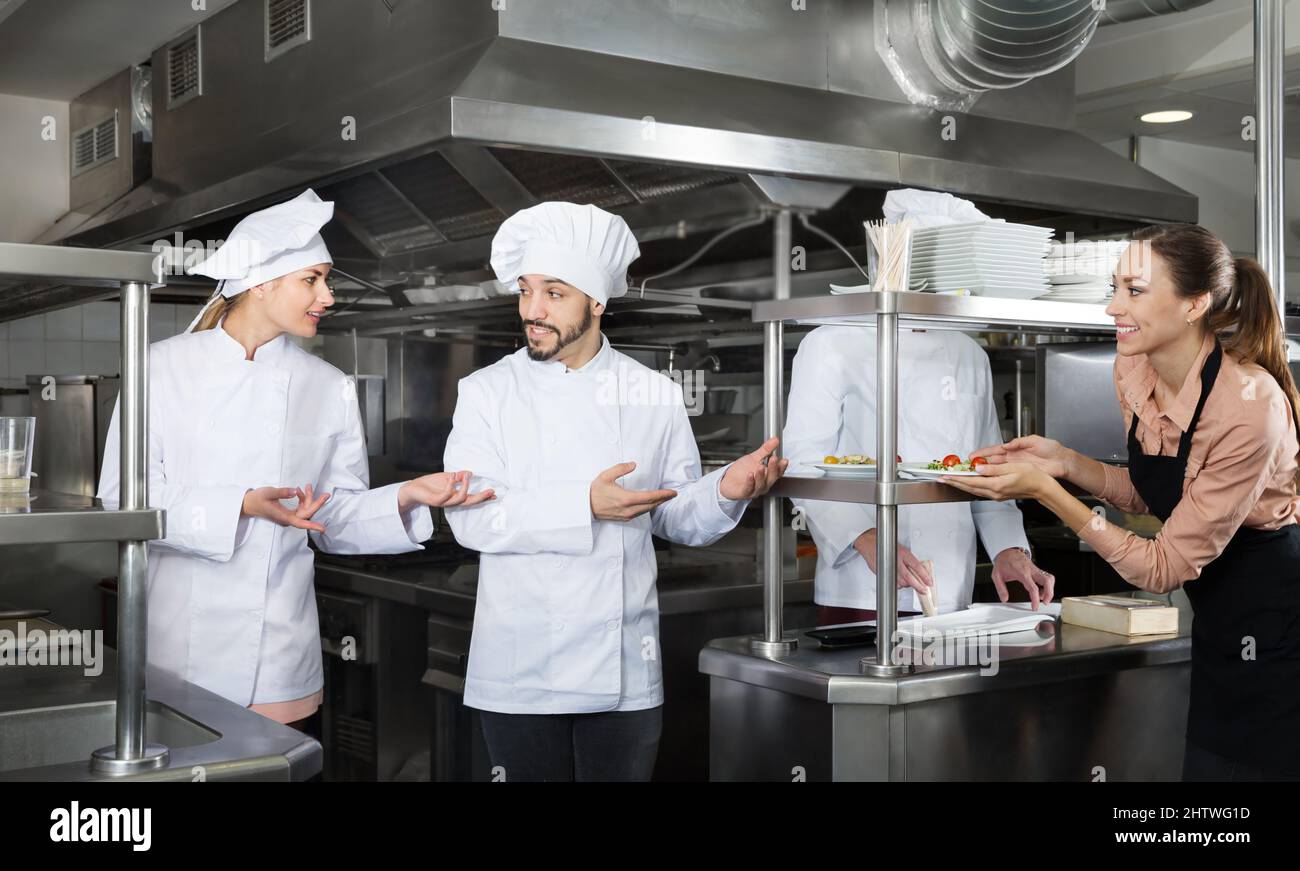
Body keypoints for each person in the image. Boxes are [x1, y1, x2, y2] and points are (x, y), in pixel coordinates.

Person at [98, 189, 492, 728]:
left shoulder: (327, 385)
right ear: (260, 284)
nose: (327, 296)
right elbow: (123, 500)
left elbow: (331, 517)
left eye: (325, 280)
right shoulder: (159, 369)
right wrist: (240, 505)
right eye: (312, 279)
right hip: (180, 648)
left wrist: (406, 496)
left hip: (279, 650)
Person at [442, 201, 787, 781]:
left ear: (596, 301)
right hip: (521, 670)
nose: (532, 310)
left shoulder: (652, 391)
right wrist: (583, 503)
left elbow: (676, 515)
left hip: (624, 668)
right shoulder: (486, 393)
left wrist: (727, 489)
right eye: (525, 291)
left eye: (554, 293)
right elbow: (470, 518)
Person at [948, 223, 1300, 781]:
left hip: (1280, 626)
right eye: (1115, 288)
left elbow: (1162, 567)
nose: (1114, 307)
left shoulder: (1251, 408)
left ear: (1195, 304)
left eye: (1134, 291)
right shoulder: (1134, 367)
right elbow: (1157, 492)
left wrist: (1048, 491)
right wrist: (1064, 461)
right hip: (1219, 622)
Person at [783, 323, 1055, 624]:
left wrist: (1009, 548)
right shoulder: (830, 342)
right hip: (862, 589)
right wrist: (863, 536)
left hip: (953, 591)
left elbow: (986, 472)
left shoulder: (970, 353)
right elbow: (801, 463)